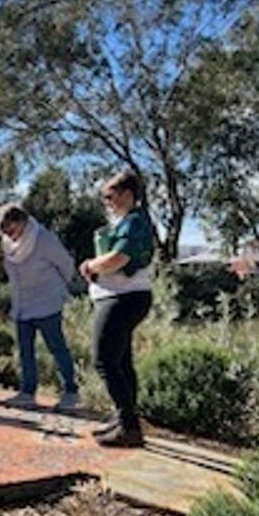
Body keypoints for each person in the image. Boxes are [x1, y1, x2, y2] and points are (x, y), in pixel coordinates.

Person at [79, 170, 154, 447]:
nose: (107, 202)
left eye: (110, 196)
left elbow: (119, 258)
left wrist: (89, 266)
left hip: (122, 297)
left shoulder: (134, 222)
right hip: (123, 296)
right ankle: (124, 418)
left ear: (127, 194)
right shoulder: (129, 221)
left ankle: (129, 427)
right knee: (121, 362)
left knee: (105, 360)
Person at [0, 203, 81, 411]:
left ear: (22, 222)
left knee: (56, 347)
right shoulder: (7, 244)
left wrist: (58, 288)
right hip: (22, 304)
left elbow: (66, 265)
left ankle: (71, 392)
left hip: (47, 302)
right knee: (25, 350)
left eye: (11, 230)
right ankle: (27, 392)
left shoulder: (44, 239)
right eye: (4, 232)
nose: (9, 235)